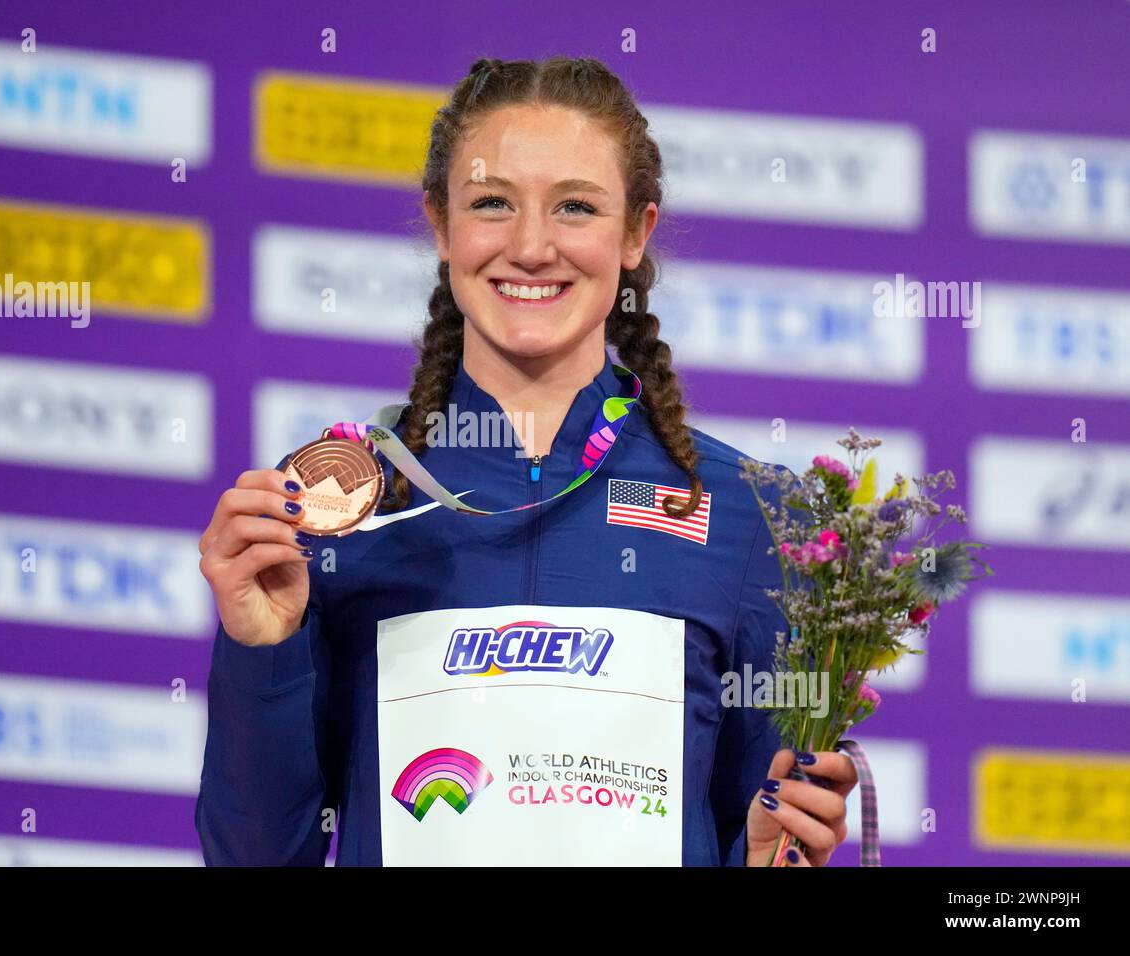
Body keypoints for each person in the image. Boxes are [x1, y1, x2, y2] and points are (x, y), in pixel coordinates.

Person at [195, 55, 856, 866]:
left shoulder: (750, 517)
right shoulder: (340, 511)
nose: (532, 246)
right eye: (492, 204)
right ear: (440, 223)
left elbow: (752, 837)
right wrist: (260, 650)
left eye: (575, 207)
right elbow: (257, 857)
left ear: (635, 233)